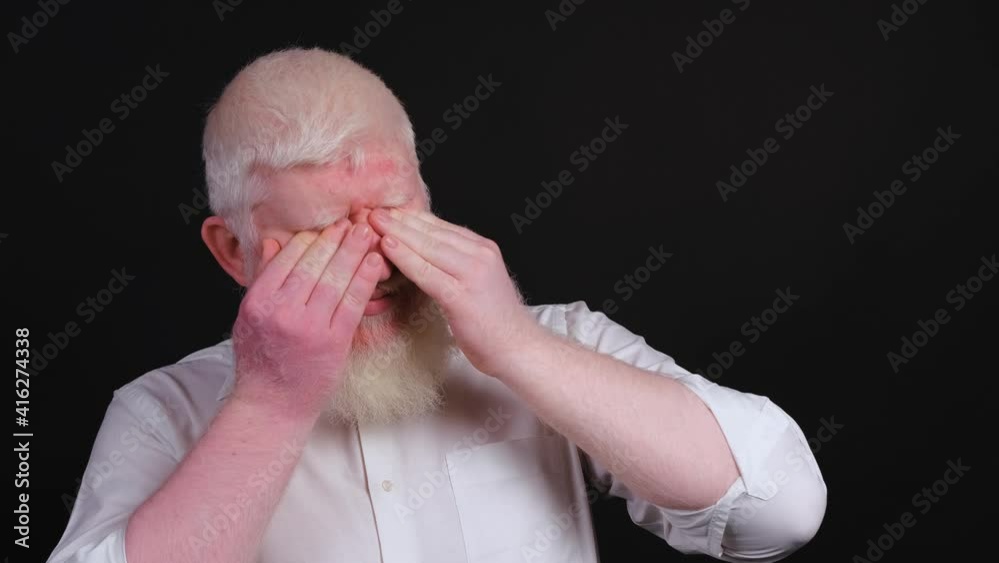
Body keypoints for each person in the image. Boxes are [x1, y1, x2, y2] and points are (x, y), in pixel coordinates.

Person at [48, 47, 827, 563]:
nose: (374, 268)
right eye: (320, 239)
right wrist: (271, 401)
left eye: (393, 215)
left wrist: (516, 348)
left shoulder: (558, 339)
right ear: (231, 250)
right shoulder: (163, 410)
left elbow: (781, 509)